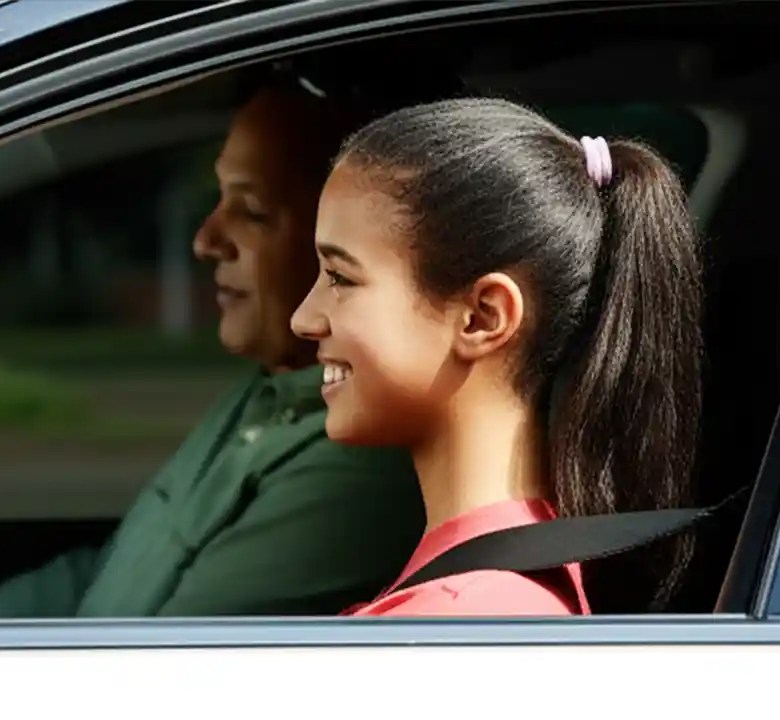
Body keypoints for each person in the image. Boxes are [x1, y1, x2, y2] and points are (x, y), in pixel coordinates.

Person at [0, 75, 426, 620]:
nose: (204, 240)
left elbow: (158, 683)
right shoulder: (265, 392)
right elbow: (106, 575)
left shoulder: (356, 464)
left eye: (250, 211)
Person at [290, 97, 704, 617]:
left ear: (483, 317)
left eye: (340, 278)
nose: (303, 319)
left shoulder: (456, 619)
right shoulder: (483, 596)